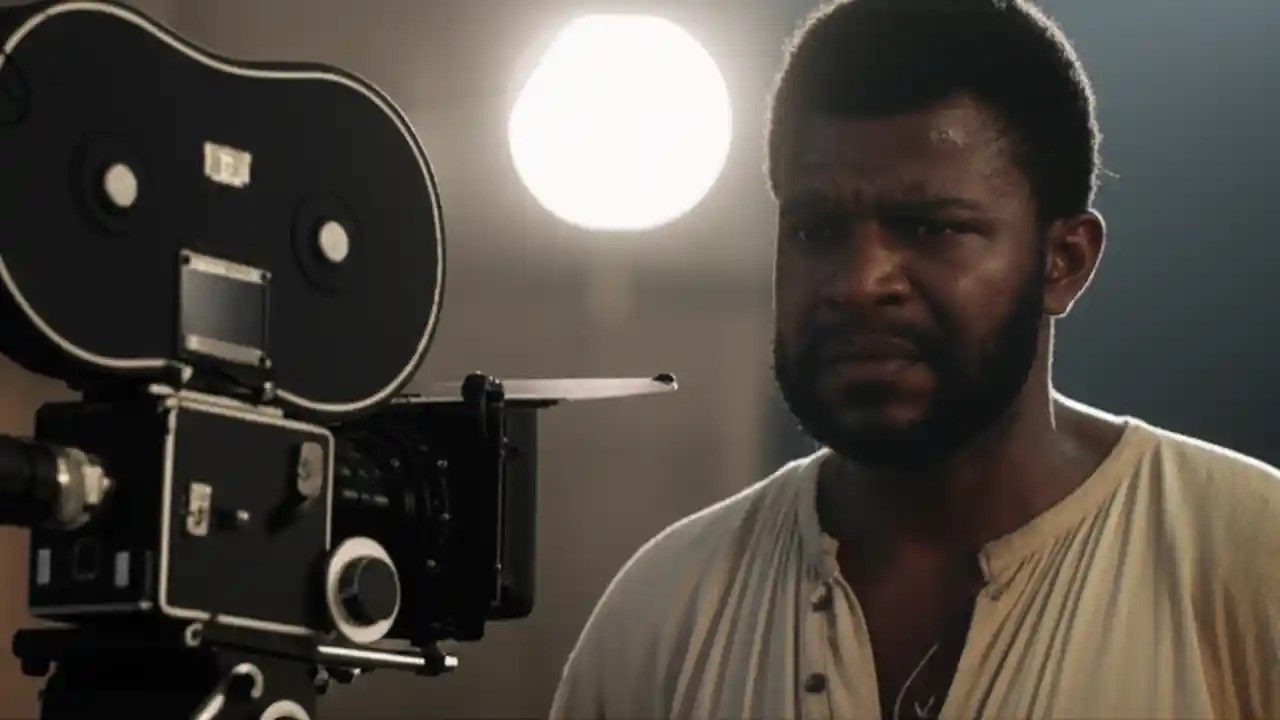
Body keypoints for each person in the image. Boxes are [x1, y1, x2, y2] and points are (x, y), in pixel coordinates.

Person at [549, 0, 1280, 718]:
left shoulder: (1249, 558)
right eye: (817, 230)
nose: (861, 283)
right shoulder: (666, 611)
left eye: (931, 226)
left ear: (1064, 261)